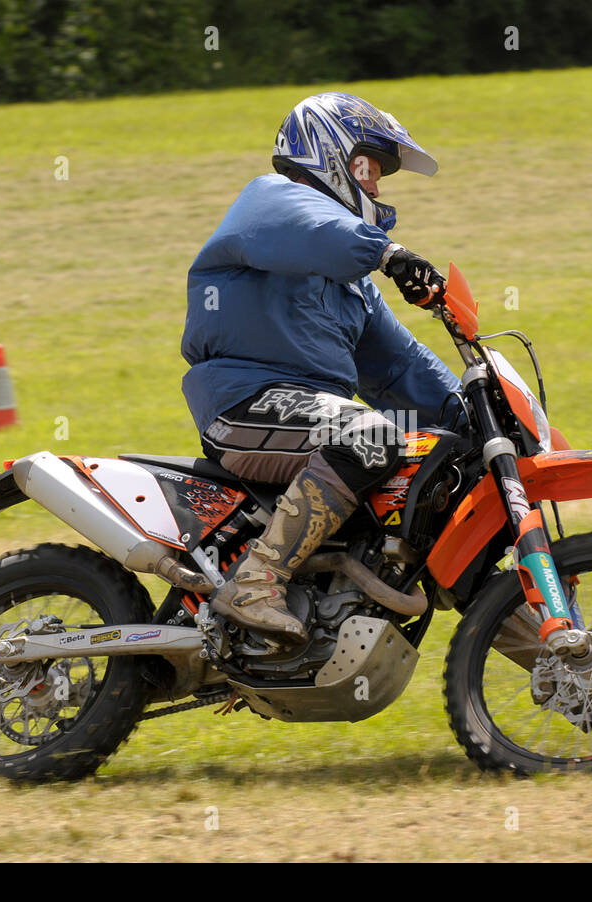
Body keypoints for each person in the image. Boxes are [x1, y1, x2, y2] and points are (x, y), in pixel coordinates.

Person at [181, 91, 460, 642]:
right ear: (330, 154)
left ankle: (571, 661)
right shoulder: (269, 203)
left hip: (312, 419)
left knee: (438, 478)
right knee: (372, 433)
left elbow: (402, 370)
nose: (377, 186)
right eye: (370, 168)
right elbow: (313, 229)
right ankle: (256, 582)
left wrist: (476, 411)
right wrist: (388, 254)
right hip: (245, 403)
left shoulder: (350, 286)